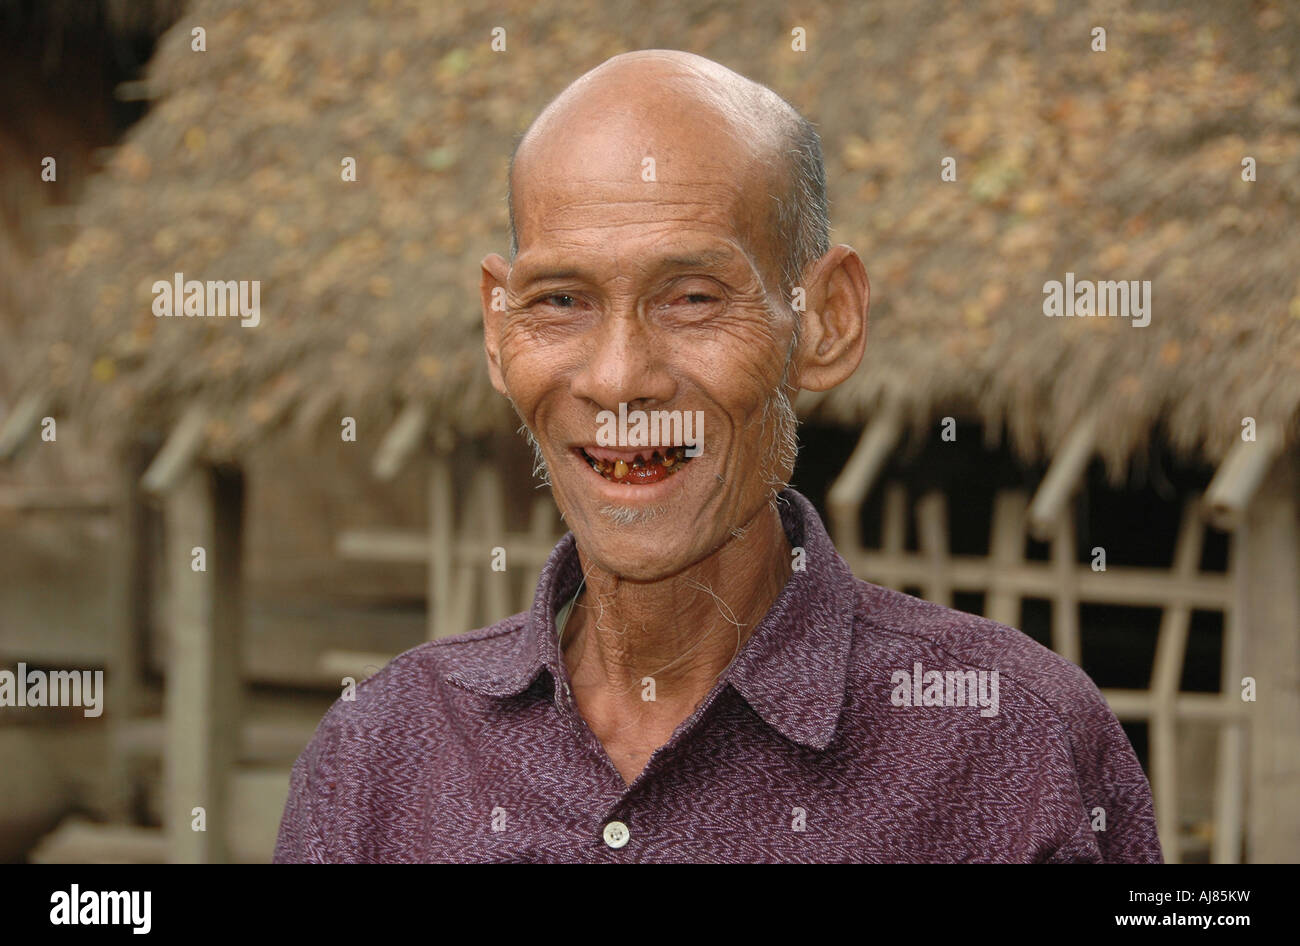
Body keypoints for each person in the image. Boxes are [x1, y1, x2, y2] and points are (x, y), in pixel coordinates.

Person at [274, 49, 1162, 863]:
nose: (619, 378)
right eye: (561, 300)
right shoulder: (383, 754)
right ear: (499, 331)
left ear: (826, 323)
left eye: (693, 297)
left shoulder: (1008, 747)